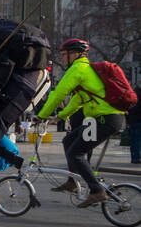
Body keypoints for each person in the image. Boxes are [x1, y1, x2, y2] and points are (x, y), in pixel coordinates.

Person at [36, 39, 127, 207]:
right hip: (105, 118)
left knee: (75, 153)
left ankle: (96, 190)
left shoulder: (78, 68)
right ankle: (72, 181)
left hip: (105, 119)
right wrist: (61, 117)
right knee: (68, 141)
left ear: (75, 54)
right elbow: (77, 99)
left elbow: (58, 94)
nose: (62, 58)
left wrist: (41, 116)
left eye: (64, 55)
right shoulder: (86, 70)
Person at [128, 91, 141, 165]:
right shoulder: (138, 94)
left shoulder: (134, 93)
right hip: (137, 120)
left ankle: (135, 157)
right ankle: (136, 157)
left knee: (135, 140)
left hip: (133, 120)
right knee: (137, 140)